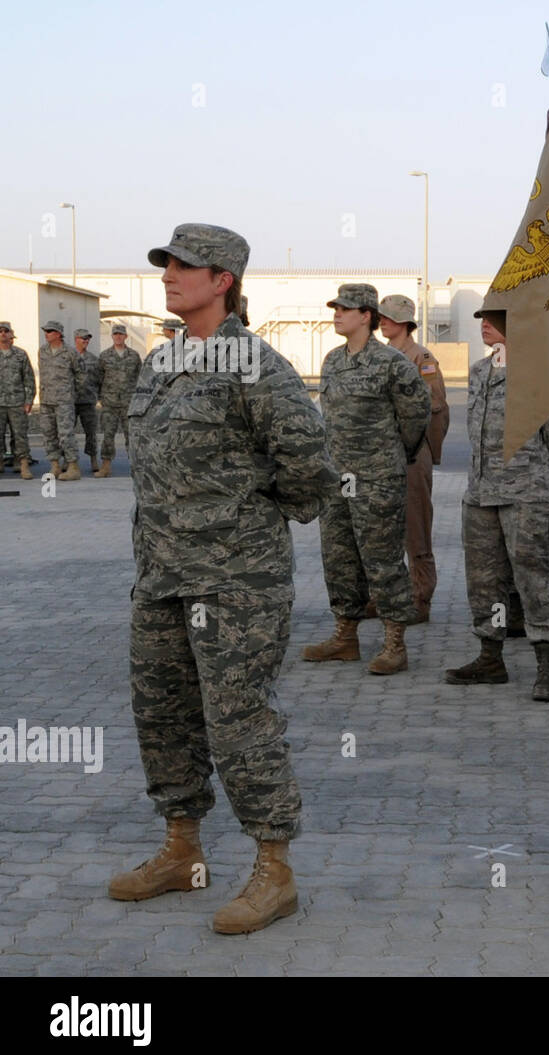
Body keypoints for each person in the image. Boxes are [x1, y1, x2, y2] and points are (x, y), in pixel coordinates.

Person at [109, 223, 336, 934]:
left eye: (186, 266)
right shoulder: (160, 361)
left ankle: (275, 871)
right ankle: (182, 851)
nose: (170, 275)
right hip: (161, 573)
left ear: (223, 281)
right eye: (167, 264)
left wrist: (248, 524)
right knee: (163, 711)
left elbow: (310, 467)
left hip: (237, 583)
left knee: (238, 721)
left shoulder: (256, 365)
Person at [302, 284, 430, 674]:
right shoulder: (332, 361)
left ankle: (395, 643)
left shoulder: (392, 363)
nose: (337, 314)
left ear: (366, 316)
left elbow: (417, 416)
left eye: (345, 309)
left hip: (376, 479)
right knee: (339, 559)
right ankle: (345, 636)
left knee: (383, 561)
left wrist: (393, 456)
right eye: (335, 308)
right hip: (338, 479)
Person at [445, 309, 549, 700]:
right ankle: (490, 656)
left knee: (533, 579)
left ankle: (547, 665)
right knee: (484, 580)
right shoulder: (481, 370)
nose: (483, 322)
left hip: (527, 492)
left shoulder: (541, 371)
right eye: (480, 316)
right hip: (481, 494)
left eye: (494, 317)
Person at [378, 293, 450, 624]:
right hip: (382, 454)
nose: (383, 322)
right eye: (382, 316)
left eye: (390, 318)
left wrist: (425, 450)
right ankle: (388, 595)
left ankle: (421, 597)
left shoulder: (422, 358)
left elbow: (435, 408)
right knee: (383, 529)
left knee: (416, 527)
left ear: (405, 323)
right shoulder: (378, 356)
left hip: (410, 451)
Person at [37, 321, 83, 480]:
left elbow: (80, 375)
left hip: (64, 401)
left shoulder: (70, 352)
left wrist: (71, 393)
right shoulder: (42, 351)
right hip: (46, 400)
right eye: (45, 331)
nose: (46, 333)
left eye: (50, 331)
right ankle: (55, 465)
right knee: (48, 434)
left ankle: (73, 467)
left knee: (66, 434)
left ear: (58, 334)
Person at [96, 323, 142, 477]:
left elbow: (140, 378)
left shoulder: (134, 356)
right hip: (110, 403)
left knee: (132, 435)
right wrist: (100, 398)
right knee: (108, 435)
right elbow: (98, 378)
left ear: (126, 336)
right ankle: (106, 466)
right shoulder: (104, 356)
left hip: (129, 403)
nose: (118, 337)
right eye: (115, 334)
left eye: (120, 334)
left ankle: (135, 467)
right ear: (112, 336)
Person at [0, 321, 35, 479]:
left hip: (17, 402)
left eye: (6, 331)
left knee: (20, 435)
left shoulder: (20, 355)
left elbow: (29, 379)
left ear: (11, 334)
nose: (3, 334)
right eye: (0, 331)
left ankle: (22, 464)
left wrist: (29, 400)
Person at [72, 328, 101, 471]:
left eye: (87, 339)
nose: (85, 341)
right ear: (76, 339)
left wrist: (99, 397)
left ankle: (93, 460)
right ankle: (68, 460)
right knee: (68, 433)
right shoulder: (69, 356)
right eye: (83, 338)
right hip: (70, 401)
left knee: (91, 433)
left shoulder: (94, 359)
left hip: (88, 401)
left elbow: (99, 380)